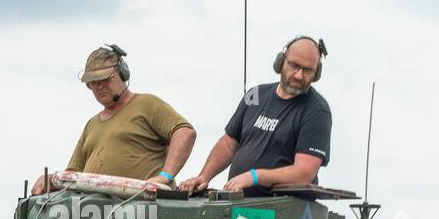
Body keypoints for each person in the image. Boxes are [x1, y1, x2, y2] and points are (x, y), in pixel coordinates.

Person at [31, 45, 196, 194]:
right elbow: (73, 173)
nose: (99, 86)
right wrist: (51, 179)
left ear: (122, 74)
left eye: (105, 79)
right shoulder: (92, 124)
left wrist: (165, 176)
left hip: (143, 210)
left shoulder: (146, 104)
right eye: (93, 82)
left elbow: (184, 132)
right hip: (96, 215)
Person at [179, 36, 331, 194]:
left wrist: (255, 176)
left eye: (307, 70)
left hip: (278, 210)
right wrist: (204, 176)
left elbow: (304, 173)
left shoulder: (317, 111)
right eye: (294, 66)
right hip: (238, 203)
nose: (299, 75)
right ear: (280, 61)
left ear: (317, 73)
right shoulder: (256, 95)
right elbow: (228, 143)